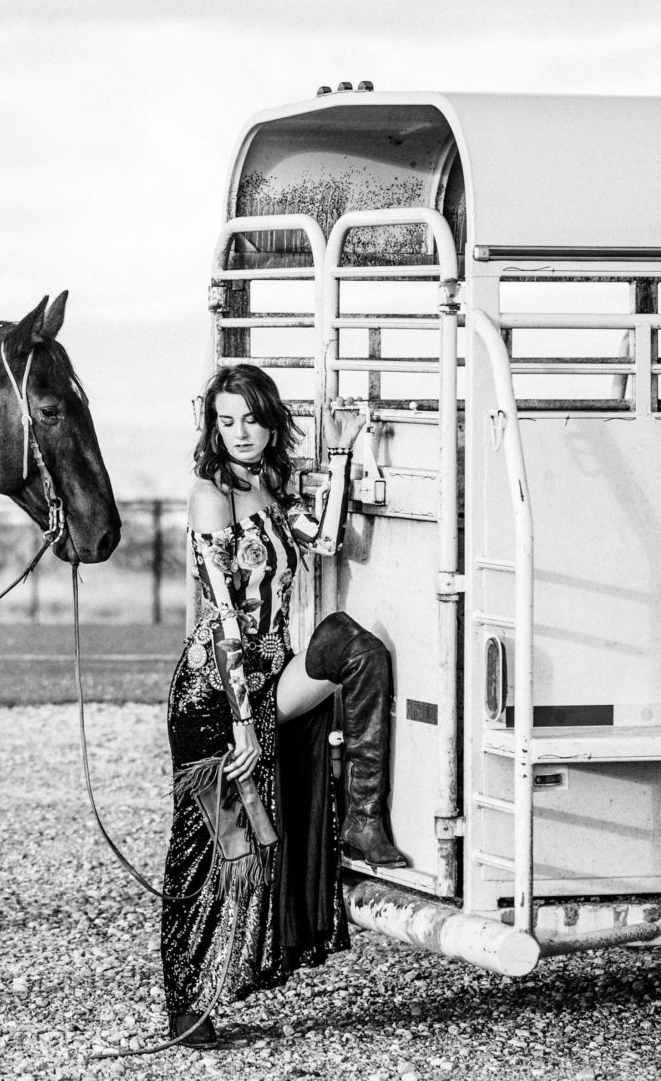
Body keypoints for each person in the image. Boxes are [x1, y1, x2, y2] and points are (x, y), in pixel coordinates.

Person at [162, 363, 408, 1049]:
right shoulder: (210, 496)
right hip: (215, 694)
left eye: (250, 418)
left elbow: (324, 540)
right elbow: (223, 617)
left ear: (271, 421)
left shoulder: (271, 486)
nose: (239, 432)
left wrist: (344, 452)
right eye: (226, 420)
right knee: (213, 848)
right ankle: (186, 1004)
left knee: (353, 646)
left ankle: (363, 821)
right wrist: (241, 724)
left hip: (270, 673)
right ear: (213, 427)